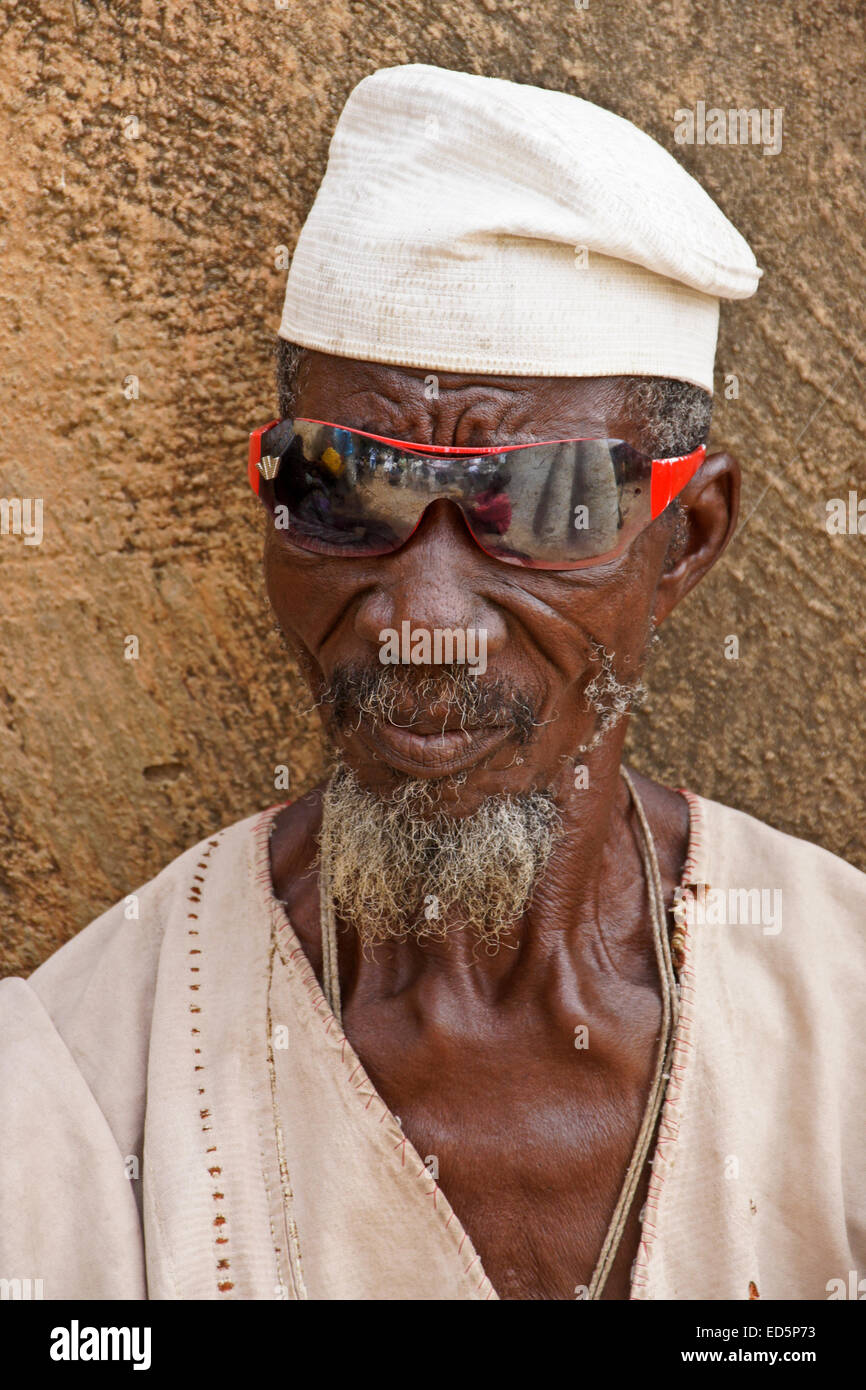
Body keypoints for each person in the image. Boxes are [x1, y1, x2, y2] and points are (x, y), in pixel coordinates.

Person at [1, 63, 863, 1302]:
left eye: (549, 504)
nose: (423, 621)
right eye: (341, 489)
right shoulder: (82, 1091)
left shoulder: (842, 1027)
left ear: (687, 539)